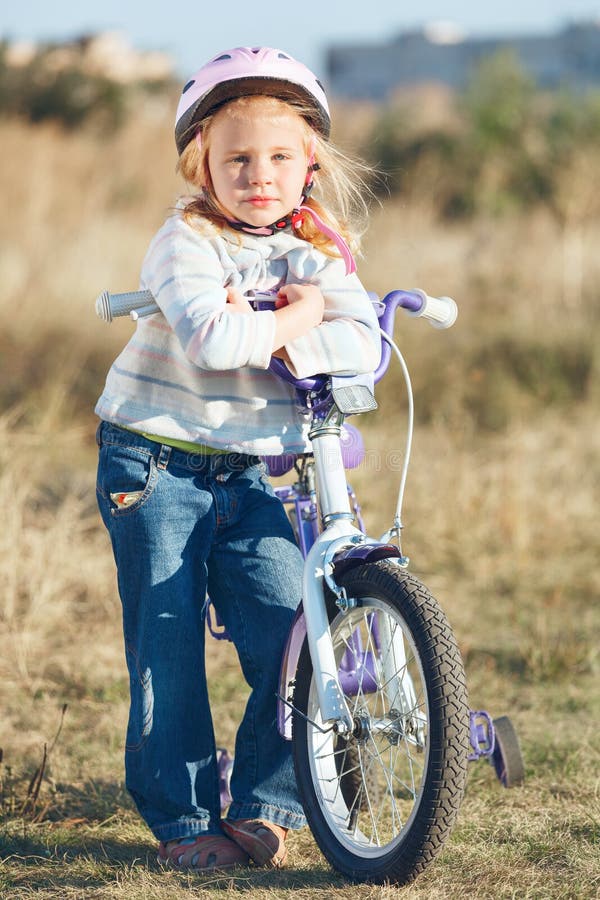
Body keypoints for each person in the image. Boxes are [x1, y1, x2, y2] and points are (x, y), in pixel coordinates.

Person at [95, 46, 381, 872]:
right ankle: (185, 821)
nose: (261, 174)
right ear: (203, 166)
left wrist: (313, 307)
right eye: (238, 159)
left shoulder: (318, 249)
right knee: (168, 642)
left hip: (249, 471)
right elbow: (218, 342)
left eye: (280, 157)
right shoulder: (184, 242)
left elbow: (360, 351)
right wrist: (302, 320)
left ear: (310, 165)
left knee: (293, 624)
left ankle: (265, 802)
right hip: (154, 464)